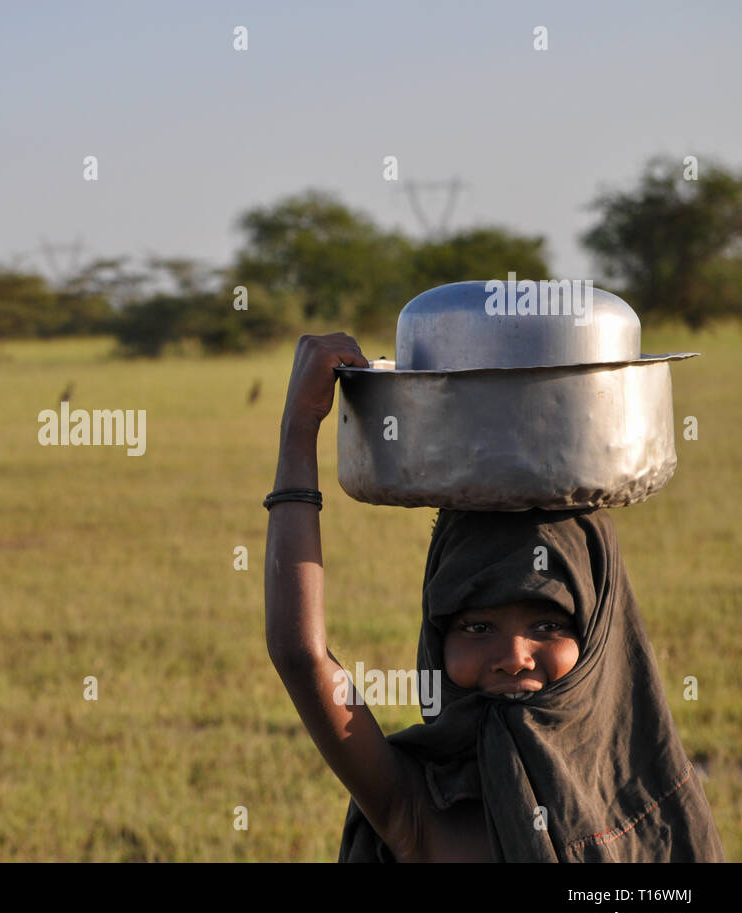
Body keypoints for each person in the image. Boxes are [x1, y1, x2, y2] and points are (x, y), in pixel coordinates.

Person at [264, 332, 725, 862]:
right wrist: (299, 428)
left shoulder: (653, 805)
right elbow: (300, 655)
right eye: (477, 628)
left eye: (549, 626)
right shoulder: (420, 804)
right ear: (437, 637)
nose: (512, 657)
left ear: (600, 631)